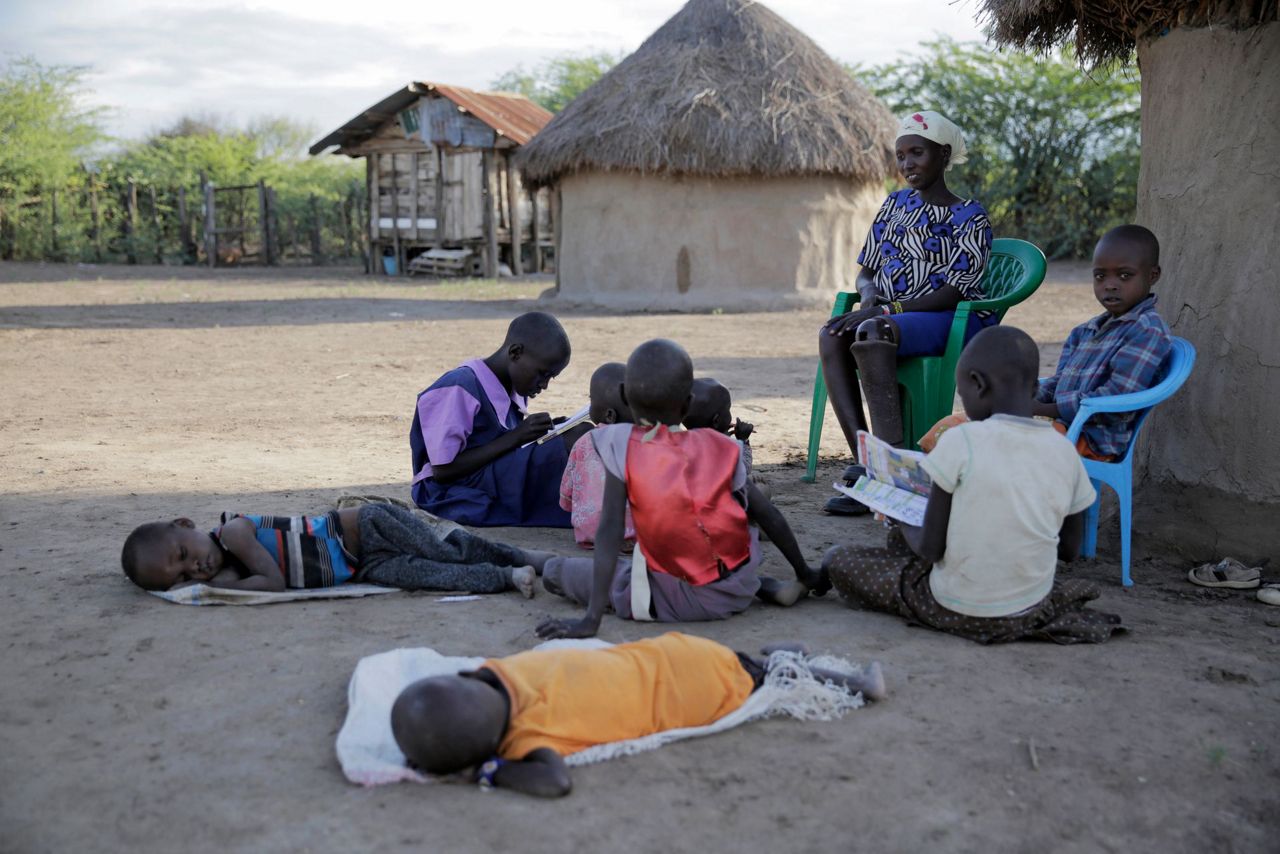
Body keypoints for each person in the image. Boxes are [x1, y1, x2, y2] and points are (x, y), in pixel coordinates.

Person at [823, 326, 1123, 644]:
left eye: (962, 393)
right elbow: (1069, 550)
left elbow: (931, 548)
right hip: (1029, 609)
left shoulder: (961, 439)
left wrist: (900, 515)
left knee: (839, 559)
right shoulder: (1065, 451)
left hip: (952, 608)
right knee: (908, 543)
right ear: (1034, 388)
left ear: (977, 384)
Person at [535, 339, 829, 639]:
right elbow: (769, 516)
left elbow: (609, 533)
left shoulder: (623, 448)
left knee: (559, 572)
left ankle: (528, 564)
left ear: (624, 395)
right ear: (687, 405)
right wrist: (805, 573)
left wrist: (591, 619)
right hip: (733, 591)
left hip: (667, 599)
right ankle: (765, 586)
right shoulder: (720, 448)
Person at [389, 632, 886, 797]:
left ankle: (854, 683)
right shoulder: (500, 670)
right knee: (750, 666)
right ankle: (778, 657)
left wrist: (488, 772)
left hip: (696, 696)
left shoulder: (527, 738)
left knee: (761, 678)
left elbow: (554, 782)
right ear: (470, 678)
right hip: (678, 654)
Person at [819, 111, 994, 515]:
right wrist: (868, 299)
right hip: (891, 316)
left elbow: (955, 291)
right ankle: (869, 463)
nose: (907, 164)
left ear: (944, 154)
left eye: (917, 153)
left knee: (874, 331)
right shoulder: (894, 204)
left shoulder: (971, 216)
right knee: (832, 334)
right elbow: (866, 272)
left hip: (952, 320)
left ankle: (892, 474)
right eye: (901, 156)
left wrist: (884, 310)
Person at [919, 225, 1173, 463]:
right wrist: (1015, 401)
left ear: (1153, 275)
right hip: (1054, 423)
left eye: (1124, 275)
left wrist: (1041, 408)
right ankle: (933, 502)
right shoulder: (1084, 332)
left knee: (974, 442)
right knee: (950, 427)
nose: (1110, 285)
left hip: (1088, 438)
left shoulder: (1147, 331)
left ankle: (977, 505)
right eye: (1100, 276)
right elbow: (1056, 383)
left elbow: (1115, 400)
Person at [121, 503, 556, 597]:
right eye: (181, 577)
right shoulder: (229, 570)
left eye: (182, 555)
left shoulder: (234, 535)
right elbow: (247, 584)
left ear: (185, 525)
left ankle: (515, 557)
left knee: (446, 553)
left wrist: (218, 583)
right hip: (364, 568)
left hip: (365, 529)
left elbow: (270, 582)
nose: (194, 569)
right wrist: (219, 580)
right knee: (433, 576)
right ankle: (507, 578)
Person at [410, 312, 591, 527]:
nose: (544, 385)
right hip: (450, 490)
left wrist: (547, 431)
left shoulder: (514, 389)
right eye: (542, 374)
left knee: (581, 434)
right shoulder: (460, 386)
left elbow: (504, 445)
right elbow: (443, 471)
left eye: (551, 378)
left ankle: (598, 510)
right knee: (577, 439)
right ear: (515, 353)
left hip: (487, 475)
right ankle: (594, 514)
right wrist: (517, 436)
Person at [559, 362, 637, 550]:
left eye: (591, 400)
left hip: (590, 531)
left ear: (609, 415)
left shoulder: (584, 443)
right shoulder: (645, 444)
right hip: (637, 533)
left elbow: (567, 494)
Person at [683, 377, 756, 476]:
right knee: (759, 487)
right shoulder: (725, 448)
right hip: (711, 490)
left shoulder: (681, 443)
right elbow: (743, 469)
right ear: (716, 421)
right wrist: (743, 441)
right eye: (728, 409)